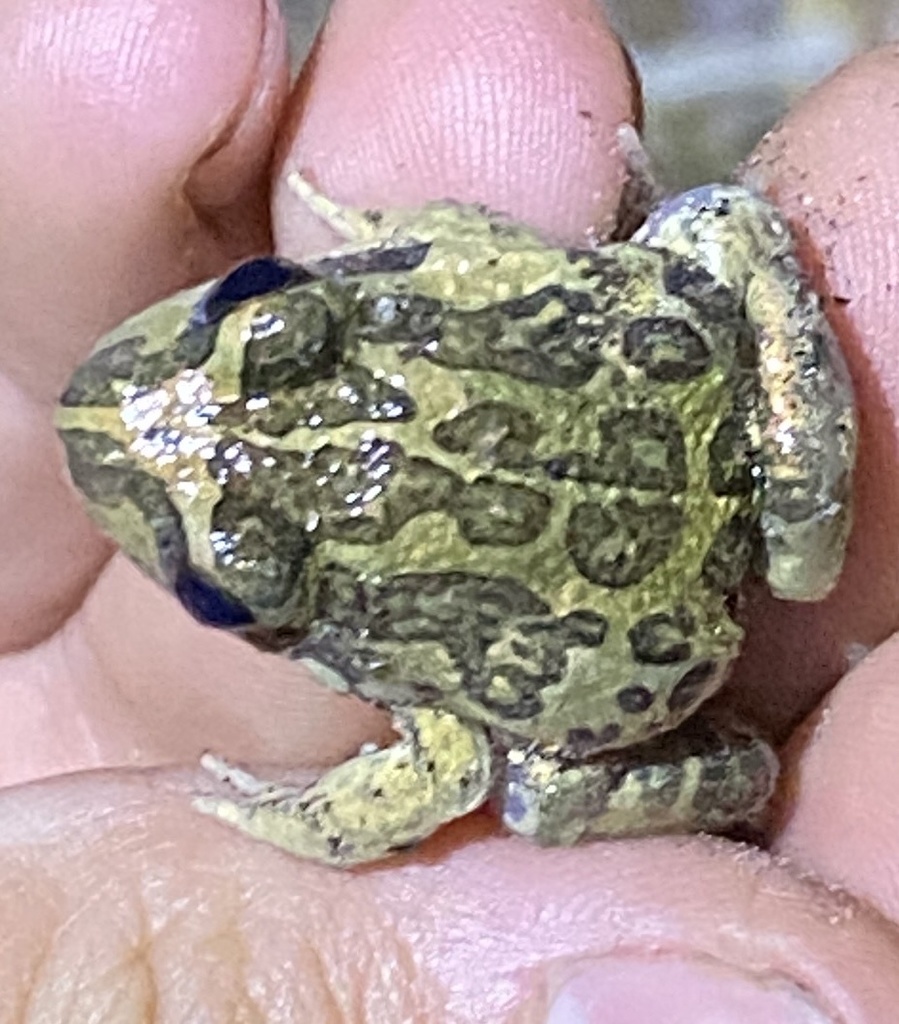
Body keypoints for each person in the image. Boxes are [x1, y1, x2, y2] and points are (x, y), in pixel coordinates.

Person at [2, 0, 899, 1019]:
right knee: (712, 229)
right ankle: (749, 725)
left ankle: (742, 763)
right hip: (687, 507)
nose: (131, 395)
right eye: (234, 577)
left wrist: (311, 824)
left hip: (681, 543)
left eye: (261, 319)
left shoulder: (415, 290)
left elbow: (447, 760)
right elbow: (481, 256)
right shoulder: (423, 279)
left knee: (544, 793)